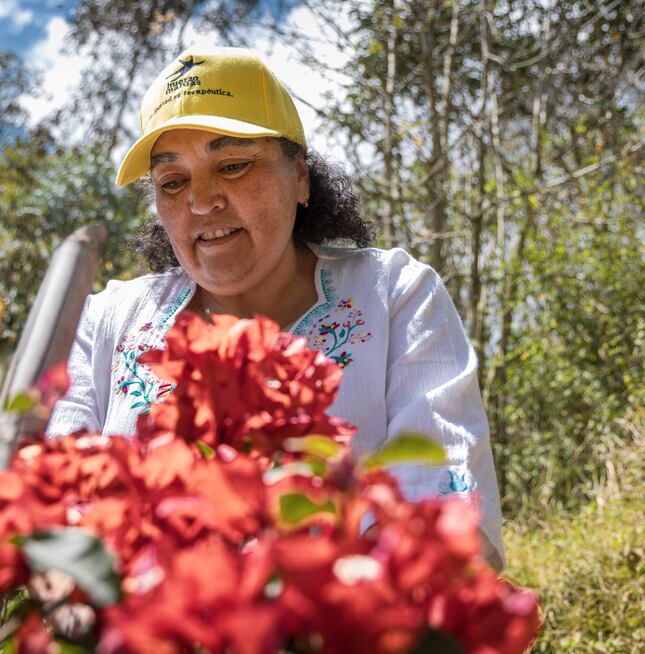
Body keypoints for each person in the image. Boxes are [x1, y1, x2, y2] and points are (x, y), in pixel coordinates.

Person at [46, 46, 505, 570]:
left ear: (301, 177)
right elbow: (55, 502)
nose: (201, 201)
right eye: (173, 181)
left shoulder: (395, 294)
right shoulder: (108, 320)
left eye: (234, 165)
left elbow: (444, 505)